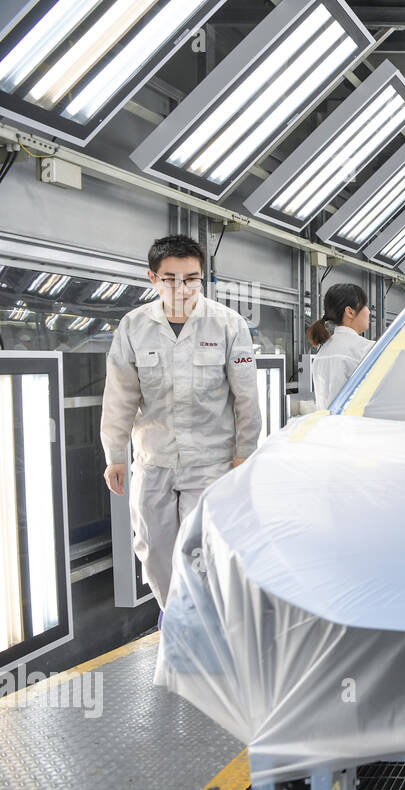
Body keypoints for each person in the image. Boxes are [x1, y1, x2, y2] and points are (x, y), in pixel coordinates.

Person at [100, 234, 261, 613]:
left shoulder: (228, 325)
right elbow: (120, 395)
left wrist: (245, 454)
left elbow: (246, 398)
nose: (182, 287)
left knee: (203, 549)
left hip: (210, 462)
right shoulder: (133, 327)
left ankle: (201, 625)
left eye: (191, 278)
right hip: (153, 461)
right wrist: (114, 455)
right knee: (153, 548)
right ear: (152, 279)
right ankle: (176, 617)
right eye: (170, 278)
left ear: (202, 279)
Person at [308, 283, 372, 407]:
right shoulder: (366, 350)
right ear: (350, 312)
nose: (369, 311)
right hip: (358, 425)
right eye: (365, 306)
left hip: (329, 425)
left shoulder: (323, 352)